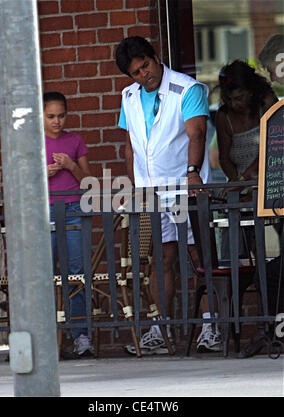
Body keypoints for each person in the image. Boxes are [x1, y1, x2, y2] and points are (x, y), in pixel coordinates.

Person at [116, 36, 222, 355]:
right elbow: (130, 145)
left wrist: (192, 172)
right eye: (135, 72)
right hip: (152, 192)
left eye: (145, 65)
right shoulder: (129, 96)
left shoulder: (187, 89)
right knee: (163, 260)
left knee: (198, 259)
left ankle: (210, 326)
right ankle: (161, 330)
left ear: (155, 56)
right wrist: (136, 184)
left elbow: (197, 133)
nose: (143, 75)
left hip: (184, 190)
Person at [43, 91, 93, 358]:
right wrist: (43, 172)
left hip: (74, 208)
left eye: (61, 116)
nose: (56, 121)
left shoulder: (74, 140)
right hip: (45, 211)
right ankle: (47, 337)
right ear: (41, 116)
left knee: (76, 273)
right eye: (50, 116)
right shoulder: (35, 142)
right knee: (45, 275)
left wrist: (71, 165)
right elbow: (24, 180)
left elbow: (88, 181)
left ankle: (81, 334)